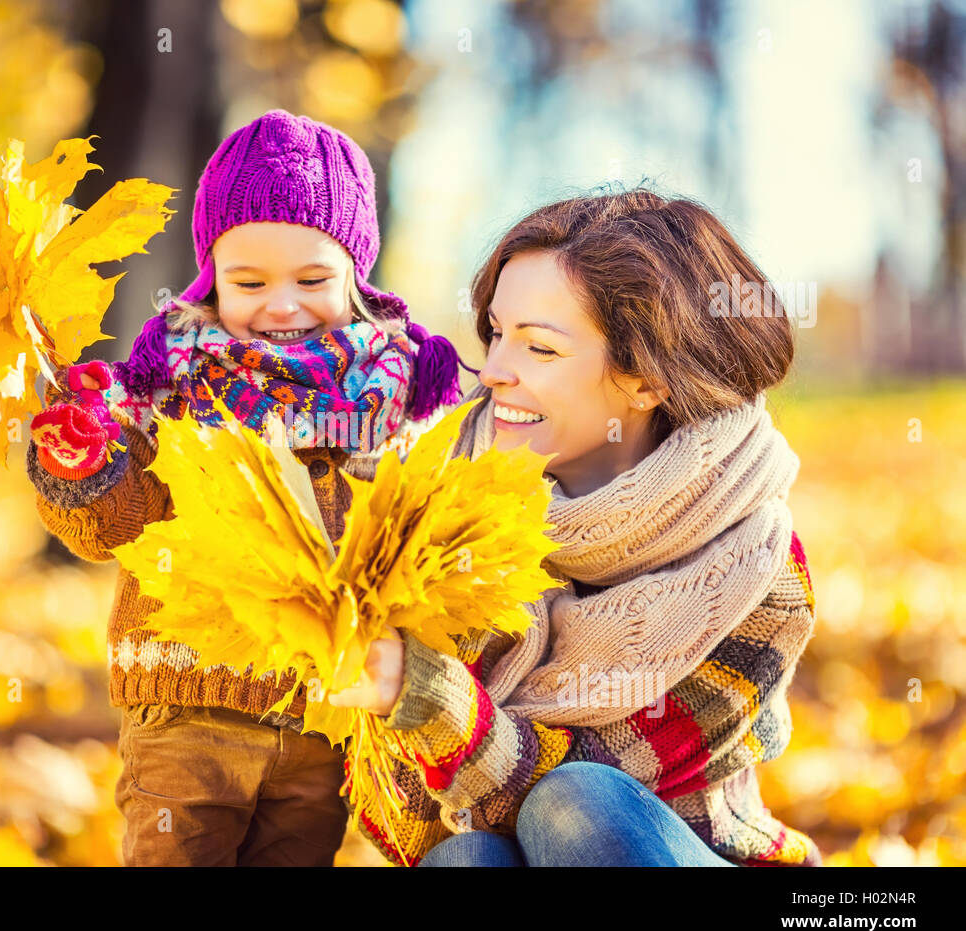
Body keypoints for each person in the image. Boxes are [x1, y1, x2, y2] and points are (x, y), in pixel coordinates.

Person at [25, 109, 468, 866]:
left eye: (313, 278)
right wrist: (87, 468)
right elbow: (118, 526)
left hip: (321, 720)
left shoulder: (393, 400)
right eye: (250, 280)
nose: (282, 304)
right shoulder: (170, 389)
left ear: (356, 277)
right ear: (211, 278)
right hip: (184, 708)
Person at [330, 189, 824, 867]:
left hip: (681, 850)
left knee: (576, 802)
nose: (495, 371)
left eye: (539, 347)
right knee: (464, 859)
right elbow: (420, 832)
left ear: (645, 380)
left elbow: (567, 812)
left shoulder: (756, 569)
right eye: (496, 333)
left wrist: (429, 697)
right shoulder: (445, 507)